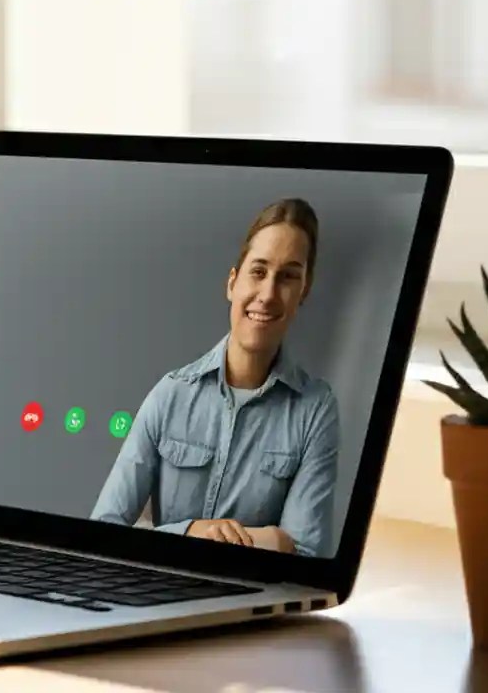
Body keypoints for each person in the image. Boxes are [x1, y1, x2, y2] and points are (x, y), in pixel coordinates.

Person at [90, 198, 341, 557]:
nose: (268, 294)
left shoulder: (315, 410)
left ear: (304, 292)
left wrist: (170, 535)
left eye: (288, 277)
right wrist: (192, 532)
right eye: (258, 271)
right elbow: (104, 528)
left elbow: (306, 553)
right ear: (232, 283)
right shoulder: (170, 395)